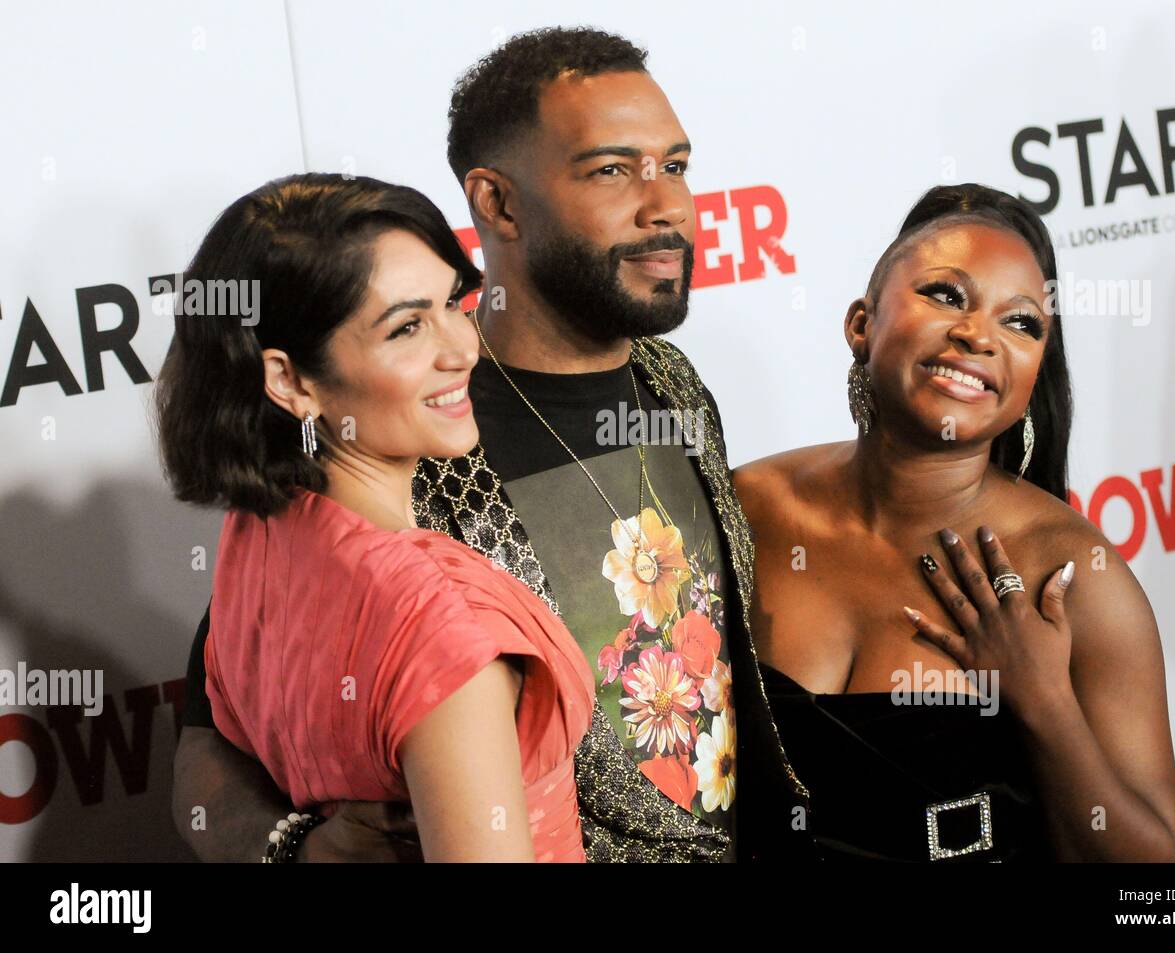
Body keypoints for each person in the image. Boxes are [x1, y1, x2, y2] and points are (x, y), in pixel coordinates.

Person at [171, 27, 811, 863]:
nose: (667, 206)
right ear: (499, 203)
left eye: (676, 164)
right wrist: (294, 847)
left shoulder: (672, 378)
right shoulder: (403, 429)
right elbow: (209, 737)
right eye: (613, 170)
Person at [733, 183, 1175, 861]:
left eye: (1022, 322)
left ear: (1036, 370)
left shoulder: (1071, 576)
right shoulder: (745, 504)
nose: (977, 334)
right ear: (862, 321)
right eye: (946, 295)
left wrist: (1043, 700)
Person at [155, 172, 594, 862]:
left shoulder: (257, 536)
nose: (461, 349)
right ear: (291, 381)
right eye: (407, 327)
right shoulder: (441, 627)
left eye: (455, 302)